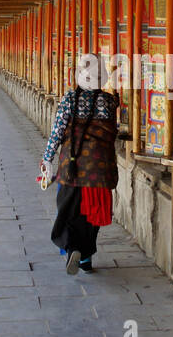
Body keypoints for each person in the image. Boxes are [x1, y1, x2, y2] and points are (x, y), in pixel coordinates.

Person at [40, 53, 120, 274]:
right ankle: (85, 259)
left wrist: (47, 158)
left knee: (67, 209)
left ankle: (72, 247)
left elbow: (57, 131)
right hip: (100, 169)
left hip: (72, 166)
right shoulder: (110, 101)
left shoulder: (69, 99)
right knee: (91, 213)